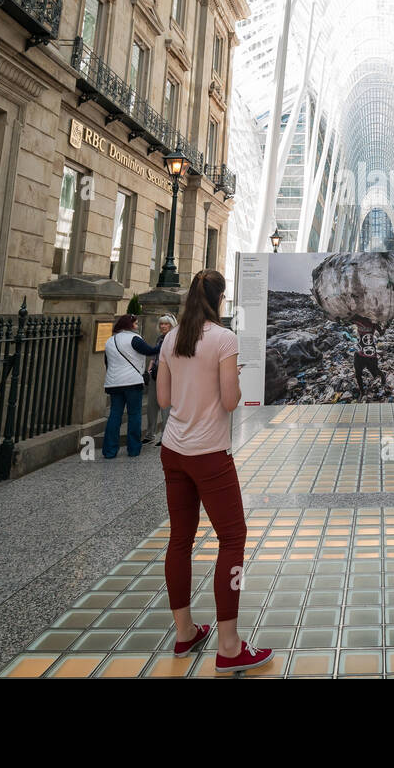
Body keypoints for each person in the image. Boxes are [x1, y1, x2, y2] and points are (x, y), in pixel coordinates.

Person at [157, 270, 271, 673]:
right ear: (220, 298)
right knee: (232, 539)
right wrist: (234, 380)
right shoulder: (224, 339)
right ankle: (228, 643)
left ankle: (185, 631)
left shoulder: (172, 339)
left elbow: (164, 398)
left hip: (173, 451)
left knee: (179, 541)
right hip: (210, 454)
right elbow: (229, 402)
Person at [102, 315, 159, 459]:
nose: (137, 325)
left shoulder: (109, 340)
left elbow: (107, 362)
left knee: (115, 414)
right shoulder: (134, 339)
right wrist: (165, 343)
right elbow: (150, 351)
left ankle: (109, 450)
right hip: (132, 382)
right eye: (135, 323)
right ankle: (133, 449)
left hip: (114, 383)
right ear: (130, 325)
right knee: (134, 414)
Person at [141, 314, 176, 445]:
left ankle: (165, 436)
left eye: (166, 324)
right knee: (151, 405)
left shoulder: (173, 339)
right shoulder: (159, 338)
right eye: (161, 324)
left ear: (171, 325)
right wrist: (150, 368)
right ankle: (150, 434)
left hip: (167, 375)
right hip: (155, 374)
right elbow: (155, 356)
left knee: (165, 406)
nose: (163, 326)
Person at [351, 314, 387, 398]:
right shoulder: (357, 319)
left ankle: (383, 377)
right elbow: (345, 321)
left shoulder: (373, 322)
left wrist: (385, 327)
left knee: (374, 371)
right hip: (359, 352)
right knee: (358, 373)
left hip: (370, 353)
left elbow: (381, 333)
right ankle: (362, 392)